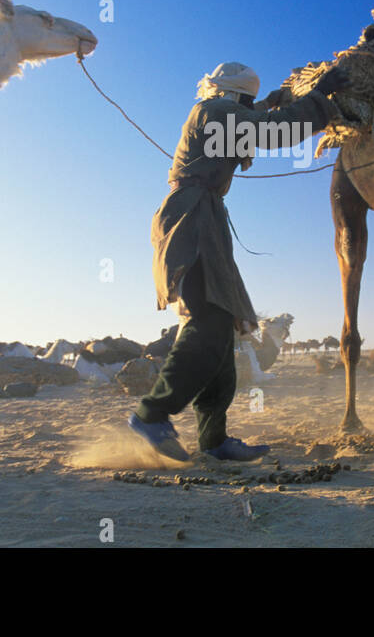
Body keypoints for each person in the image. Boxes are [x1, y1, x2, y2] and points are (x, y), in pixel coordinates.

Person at [129, 61, 347, 462]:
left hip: (205, 219)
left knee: (221, 330)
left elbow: (257, 116)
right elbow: (273, 129)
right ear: (233, 96)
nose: (249, 106)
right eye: (247, 100)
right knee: (207, 322)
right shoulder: (212, 112)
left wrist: (277, 102)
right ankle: (151, 412)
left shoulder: (219, 113)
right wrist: (320, 99)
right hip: (192, 221)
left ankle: (213, 441)